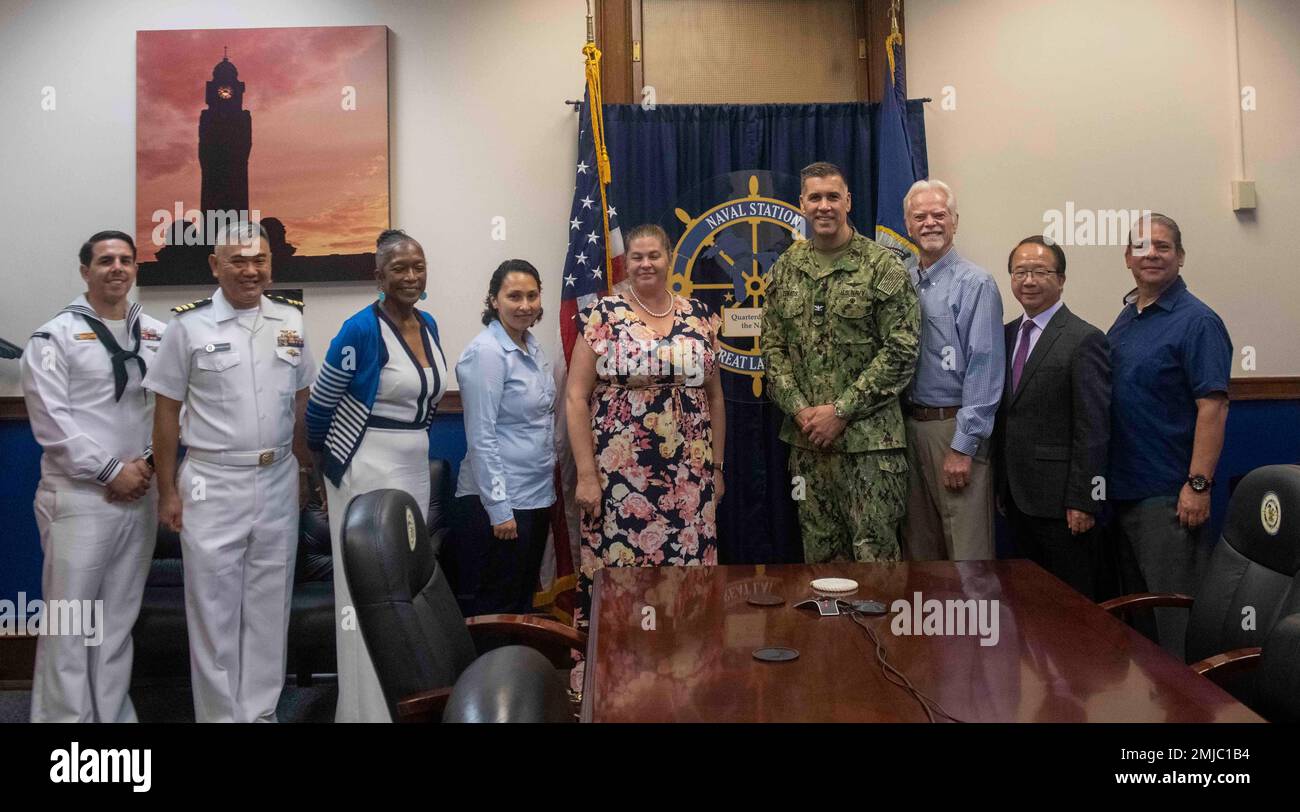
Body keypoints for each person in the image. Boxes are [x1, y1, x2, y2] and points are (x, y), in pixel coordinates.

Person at [144, 221, 316, 722]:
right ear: (215, 266)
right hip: (211, 480)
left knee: (268, 608)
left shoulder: (291, 321)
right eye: (238, 260)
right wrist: (166, 492)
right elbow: (165, 413)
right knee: (214, 612)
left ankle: (260, 713)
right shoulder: (187, 326)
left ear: (271, 265)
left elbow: (302, 403)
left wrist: (305, 469)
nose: (250, 269)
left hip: (278, 476)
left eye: (259, 259)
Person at [21, 230, 166, 722]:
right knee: (69, 623)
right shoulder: (51, 337)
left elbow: (173, 407)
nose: (117, 268)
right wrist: (110, 472)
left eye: (126, 260)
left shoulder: (158, 333)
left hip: (139, 493)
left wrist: (144, 465)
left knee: (116, 623)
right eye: (105, 260)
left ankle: (112, 718)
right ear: (85, 271)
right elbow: (52, 424)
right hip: (80, 497)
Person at [305, 228, 448, 722]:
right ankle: (364, 711)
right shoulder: (360, 329)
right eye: (399, 268)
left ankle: (405, 703)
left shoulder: (428, 323)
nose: (410, 275)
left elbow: (425, 398)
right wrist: (323, 476)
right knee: (367, 592)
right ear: (378, 276)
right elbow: (320, 409)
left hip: (412, 463)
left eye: (417, 266)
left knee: (406, 588)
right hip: (364, 467)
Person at [565, 223, 726, 629]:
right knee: (624, 569)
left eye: (654, 255)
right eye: (636, 257)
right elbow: (575, 397)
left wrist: (717, 469)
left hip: (690, 479)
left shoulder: (701, 315)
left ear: (670, 259)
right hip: (620, 478)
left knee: (686, 569)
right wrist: (585, 475)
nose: (645, 264)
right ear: (627, 263)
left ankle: (686, 665)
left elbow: (716, 396)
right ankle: (619, 675)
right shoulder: (602, 315)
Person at [762, 161, 920, 563]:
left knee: (875, 561)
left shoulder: (883, 267)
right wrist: (801, 412)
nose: (824, 205)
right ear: (801, 204)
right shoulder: (786, 269)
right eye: (815, 197)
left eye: (833, 196)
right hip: (807, 445)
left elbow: (901, 352)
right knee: (820, 563)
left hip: (870, 448)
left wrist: (841, 411)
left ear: (848, 200)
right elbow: (773, 348)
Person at [1107, 213, 1230, 659]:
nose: (1152, 254)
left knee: (1176, 625)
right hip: (1125, 494)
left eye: (1163, 246)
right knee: (1141, 626)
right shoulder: (1126, 318)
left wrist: (1198, 486)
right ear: (1127, 258)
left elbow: (1212, 407)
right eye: (1141, 246)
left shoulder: (1198, 322)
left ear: (1180, 257)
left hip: (1170, 499)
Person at [994, 236, 1110, 599]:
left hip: (1062, 504)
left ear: (1061, 279)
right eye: (1020, 272)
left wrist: (1084, 500)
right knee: (1029, 600)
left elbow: (1093, 427)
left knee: (1070, 603)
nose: (1028, 281)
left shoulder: (1084, 339)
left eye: (1040, 272)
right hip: (1015, 496)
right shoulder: (1005, 334)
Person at [900, 178, 1005, 561]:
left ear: (955, 222)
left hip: (953, 430)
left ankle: (972, 624)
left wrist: (963, 446)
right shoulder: (901, 280)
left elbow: (985, 367)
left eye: (939, 215)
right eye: (920, 216)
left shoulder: (975, 283)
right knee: (920, 553)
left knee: (967, 556)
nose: (930, 223)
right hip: (908, 428)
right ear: (908, 226)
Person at [452, 260, 556, 615]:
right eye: (514, 296)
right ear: (494, 300)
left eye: (532, 295)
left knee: (520, 601)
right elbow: (481, 436)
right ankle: (491, 670)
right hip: (499, 504)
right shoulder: (486, 353)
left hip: (535, 496)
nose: (524, 305)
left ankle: (516, 670)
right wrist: (499, 510)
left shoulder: (530, 346)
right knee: (496, 607)